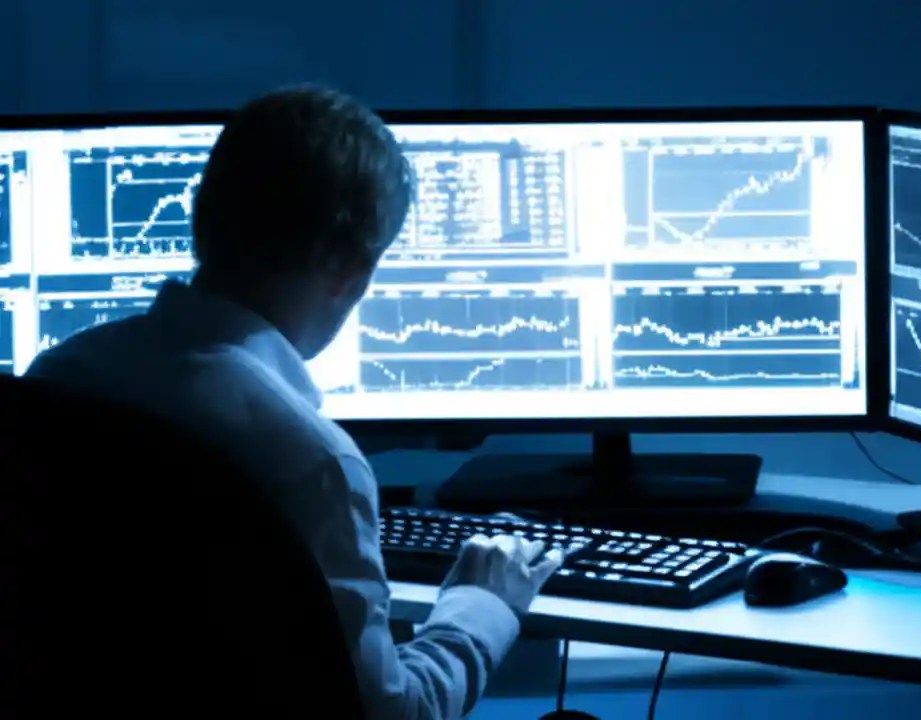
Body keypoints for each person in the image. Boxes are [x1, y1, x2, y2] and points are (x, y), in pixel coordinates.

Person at [24, 84, 563, 720]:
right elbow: (394, 717)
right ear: (349, 272)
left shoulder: (58, 377)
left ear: (203, 217)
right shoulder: (311, 461)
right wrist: (481, 609)